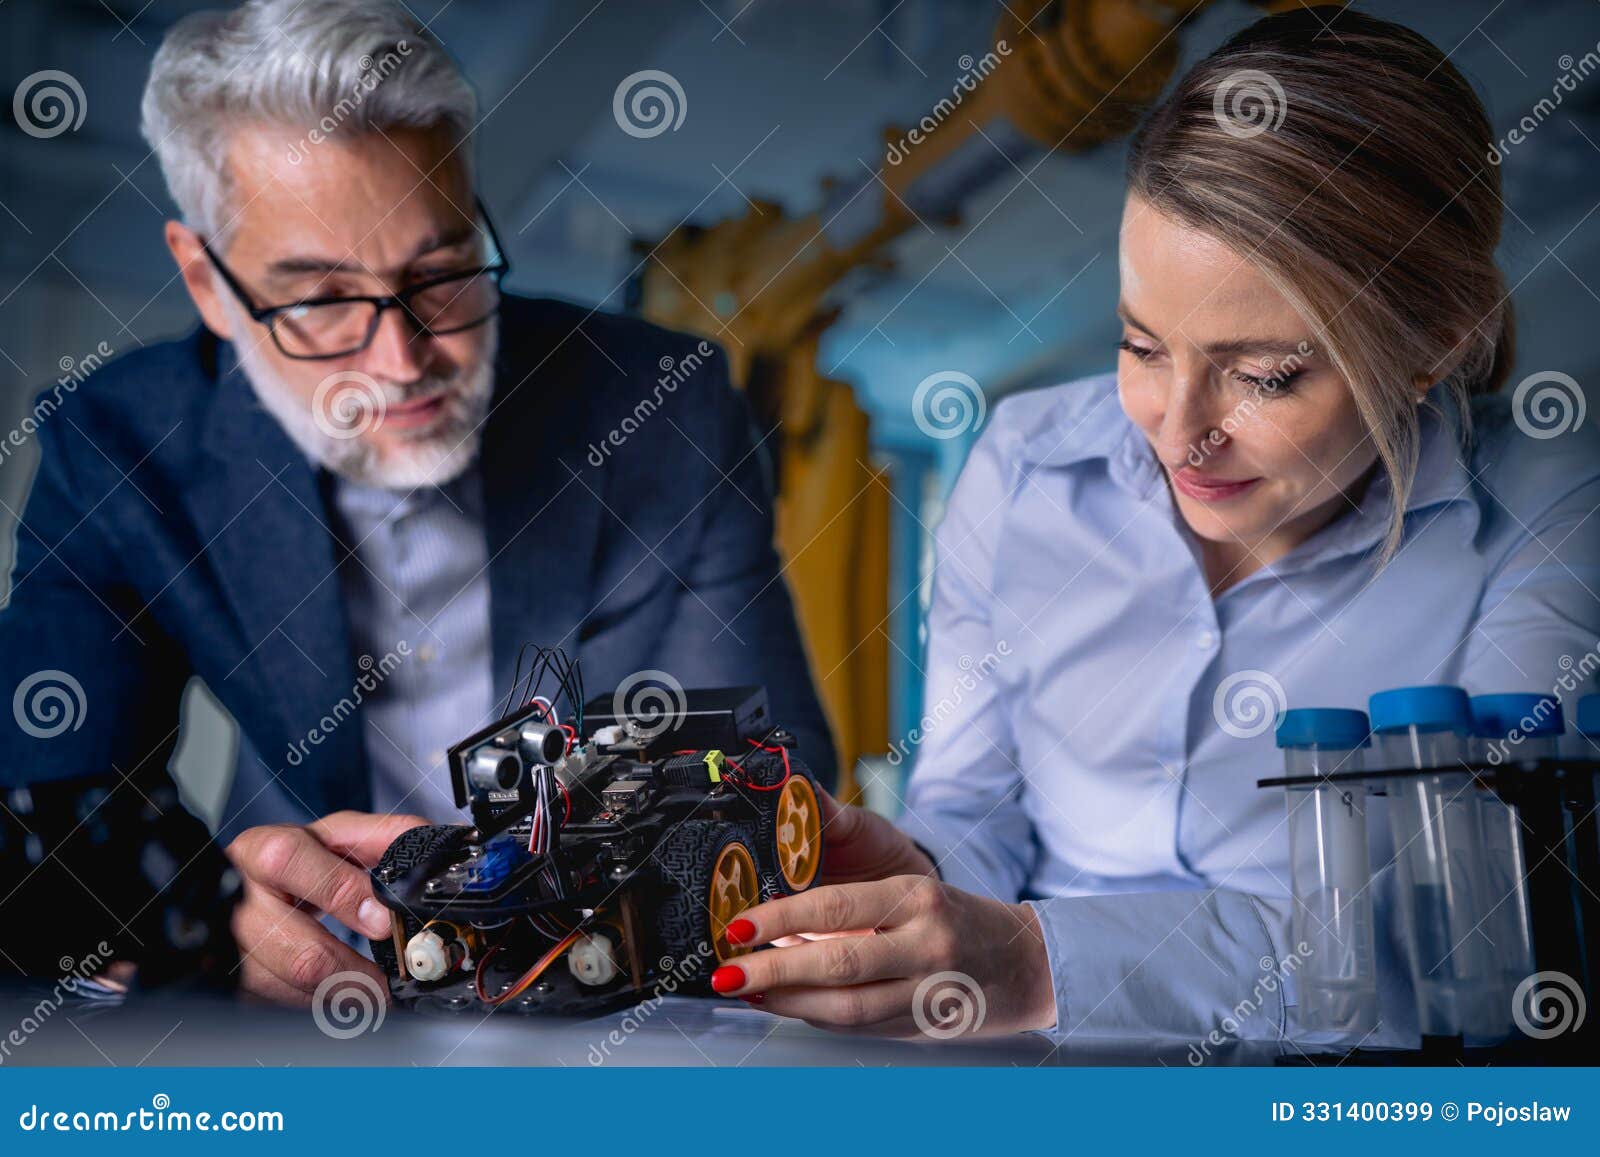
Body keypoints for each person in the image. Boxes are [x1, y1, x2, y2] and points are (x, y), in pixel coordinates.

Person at [705, 8, 1600, 1045]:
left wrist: (1040, 961)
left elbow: (1468, 937)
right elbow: (975, 806)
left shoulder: (1551, 504)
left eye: (1263, 375)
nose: (1177, 435)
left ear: (1432, 345)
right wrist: (924, 875)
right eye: (1141, 345)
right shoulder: (1021, 461)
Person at [0, 0, 832, 1005]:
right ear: (207, 283)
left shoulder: (663, 407)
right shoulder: (120, 442)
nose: (401, 363)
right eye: (321, 301)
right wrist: (191, 912)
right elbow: (49, 796)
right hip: (290, 987)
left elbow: (752, 780)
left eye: (438, 273)